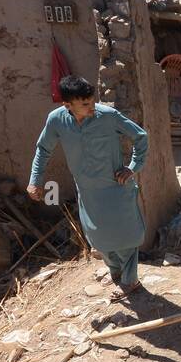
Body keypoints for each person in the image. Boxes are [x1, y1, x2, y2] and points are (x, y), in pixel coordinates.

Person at [27, 75, 148, 301]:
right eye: (84, 104)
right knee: (99, 239)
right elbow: (43, 149)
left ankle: (130, 281)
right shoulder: (56, 120)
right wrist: (35, 180)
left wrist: (132, 167)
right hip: (88, 192)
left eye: (92, 100)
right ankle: (116, 273)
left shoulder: (109, 116)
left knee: (127, 236)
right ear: (67, 105)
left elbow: (140, 136)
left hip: (116, 188)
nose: (92, 106)